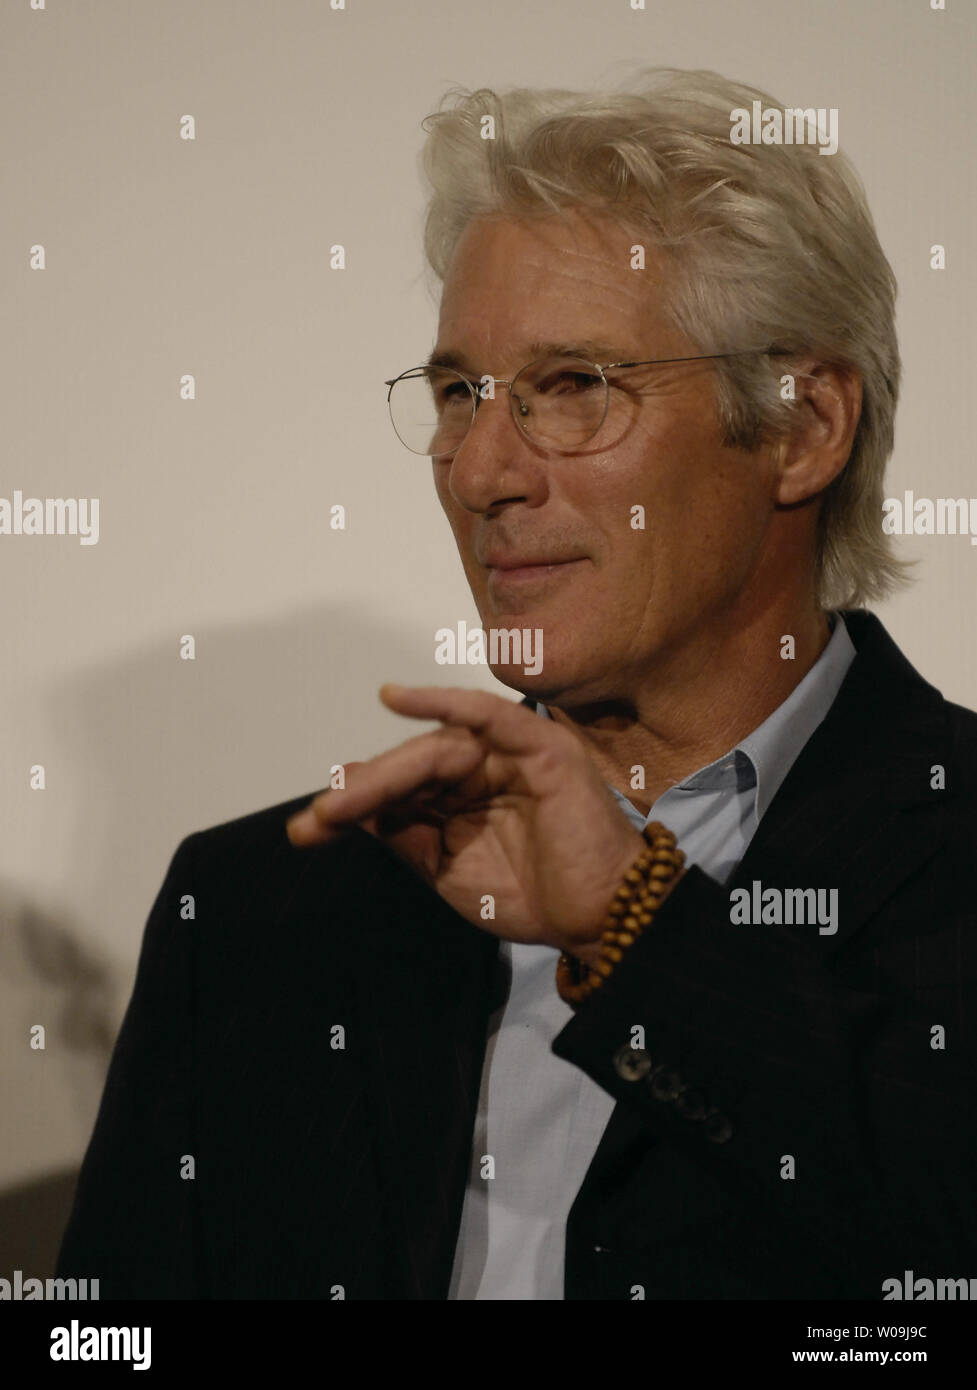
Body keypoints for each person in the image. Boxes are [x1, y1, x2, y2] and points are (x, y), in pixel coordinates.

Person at [57, 67, 977, 1300]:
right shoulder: (256, 916)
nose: (480, 469)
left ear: (802, 426)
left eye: (573, 389)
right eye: (458, 396)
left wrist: (636, 930)